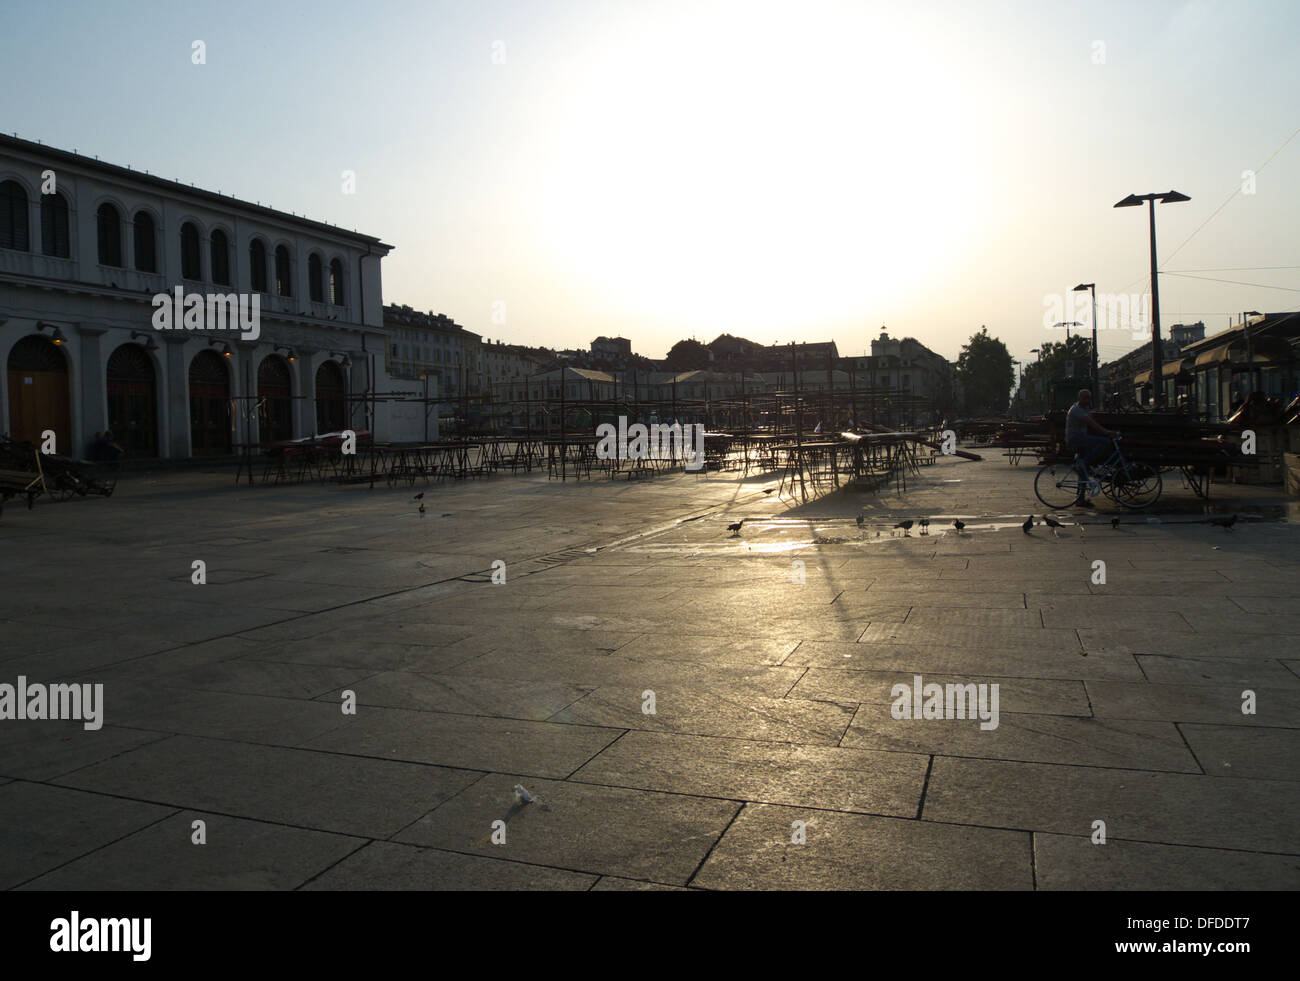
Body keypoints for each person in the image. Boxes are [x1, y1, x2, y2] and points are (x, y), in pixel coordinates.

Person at [1064, 389, 1117, 507]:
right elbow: (1092, 423)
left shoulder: (1084, 408)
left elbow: (1092, 416)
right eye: (1085, 398)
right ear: (1079, 398)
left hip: (1081, 437)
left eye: (1089, 398)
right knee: (1105, 442)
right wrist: (1107, 432)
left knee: (1082, 470)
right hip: (1076, 439)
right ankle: (1087, 461)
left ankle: (1080, 498)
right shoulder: (1077, 410)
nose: (1087, 400)